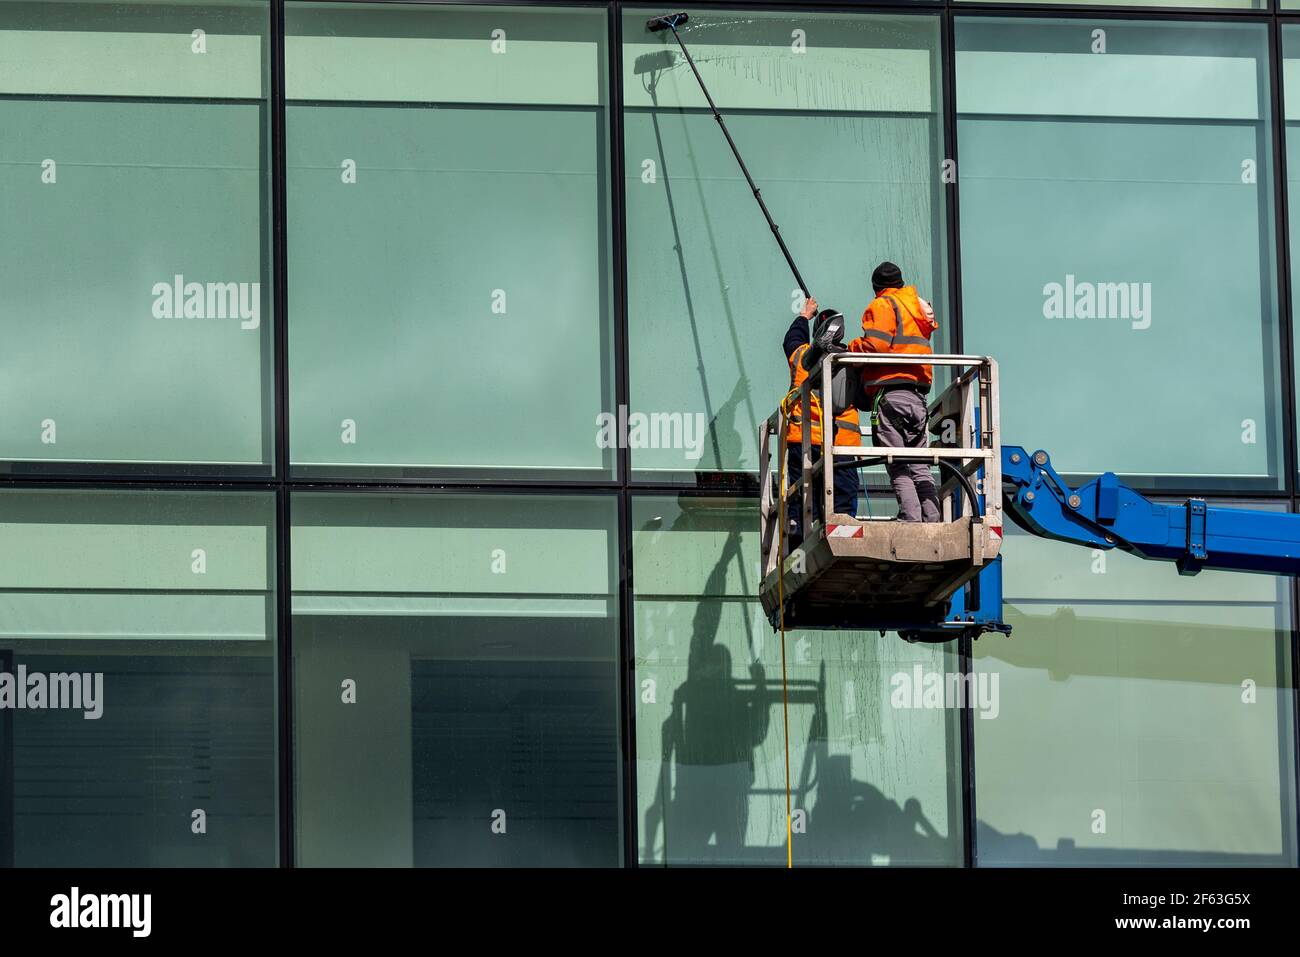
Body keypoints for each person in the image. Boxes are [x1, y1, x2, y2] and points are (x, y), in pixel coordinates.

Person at [848, 261, 941, 523]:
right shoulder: (918, 309)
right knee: (919, 464)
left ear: (876, 287)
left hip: (890, 395)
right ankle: (932, 517)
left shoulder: (882, 304)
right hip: (917, 398)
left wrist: (849, 349)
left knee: (897, 462)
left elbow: (875, 345)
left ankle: (910, 517)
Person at [780, 294, 862, 547]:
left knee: (803, 498)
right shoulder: (851, 360)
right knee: (842, 500)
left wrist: (805, 315)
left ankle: (799, 540)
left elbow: (791, 340)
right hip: (841, 443)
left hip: (804, 441)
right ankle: (842, 533)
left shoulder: (802, 354)